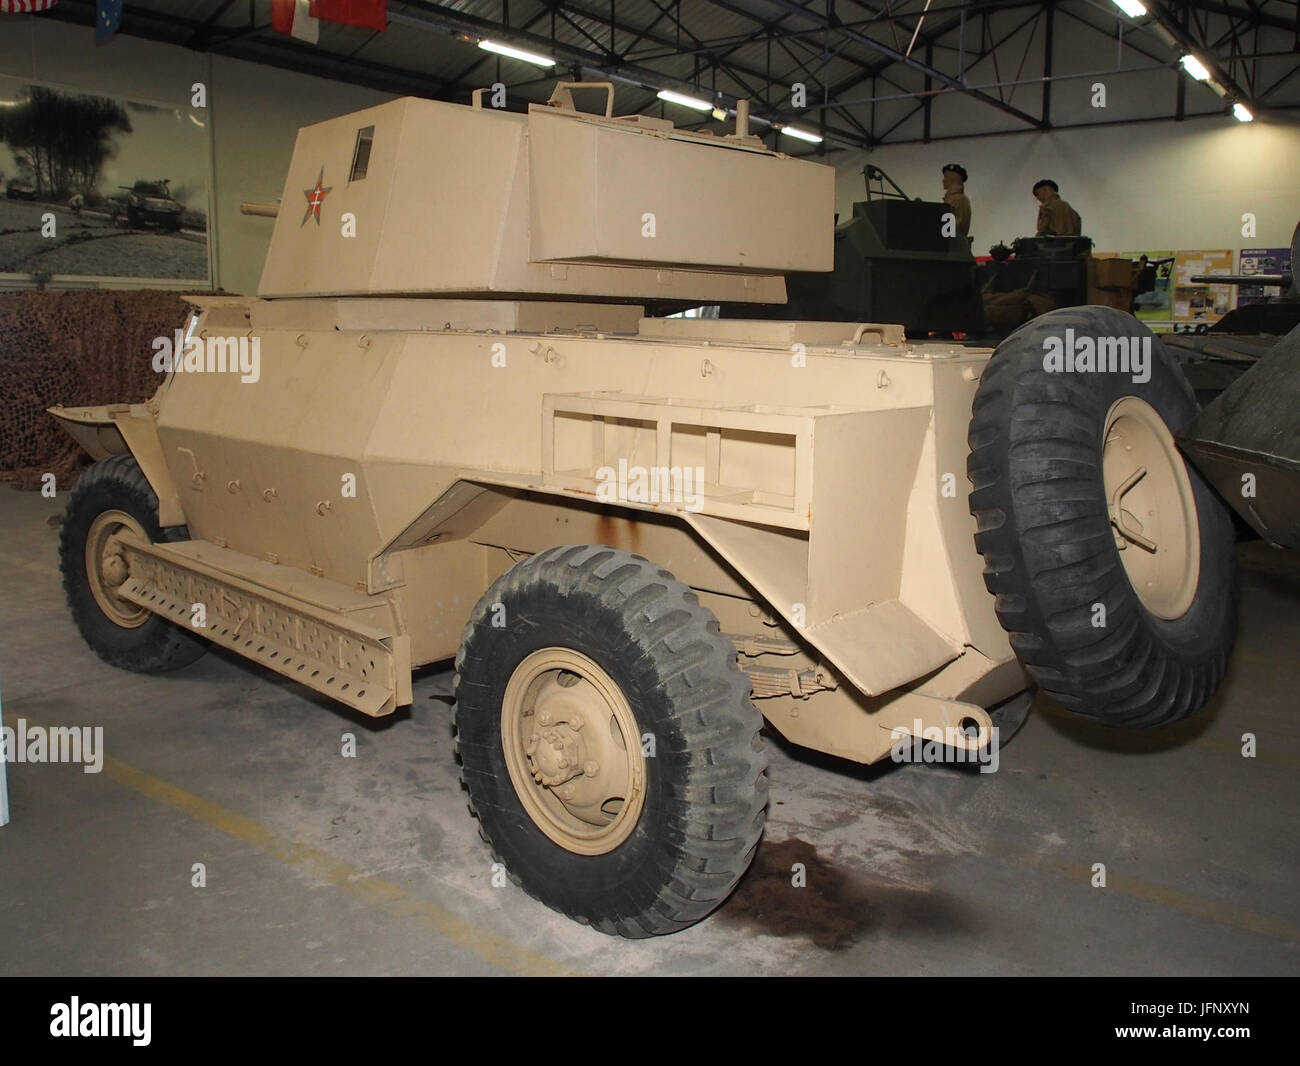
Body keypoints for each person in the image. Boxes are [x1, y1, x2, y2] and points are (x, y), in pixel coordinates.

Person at [941, 163, 970, 238]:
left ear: (952, 179)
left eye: (945, 177)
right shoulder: (954, 198)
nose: (943, 181)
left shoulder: (958, 199)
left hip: (953, 245)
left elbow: (955, 228)